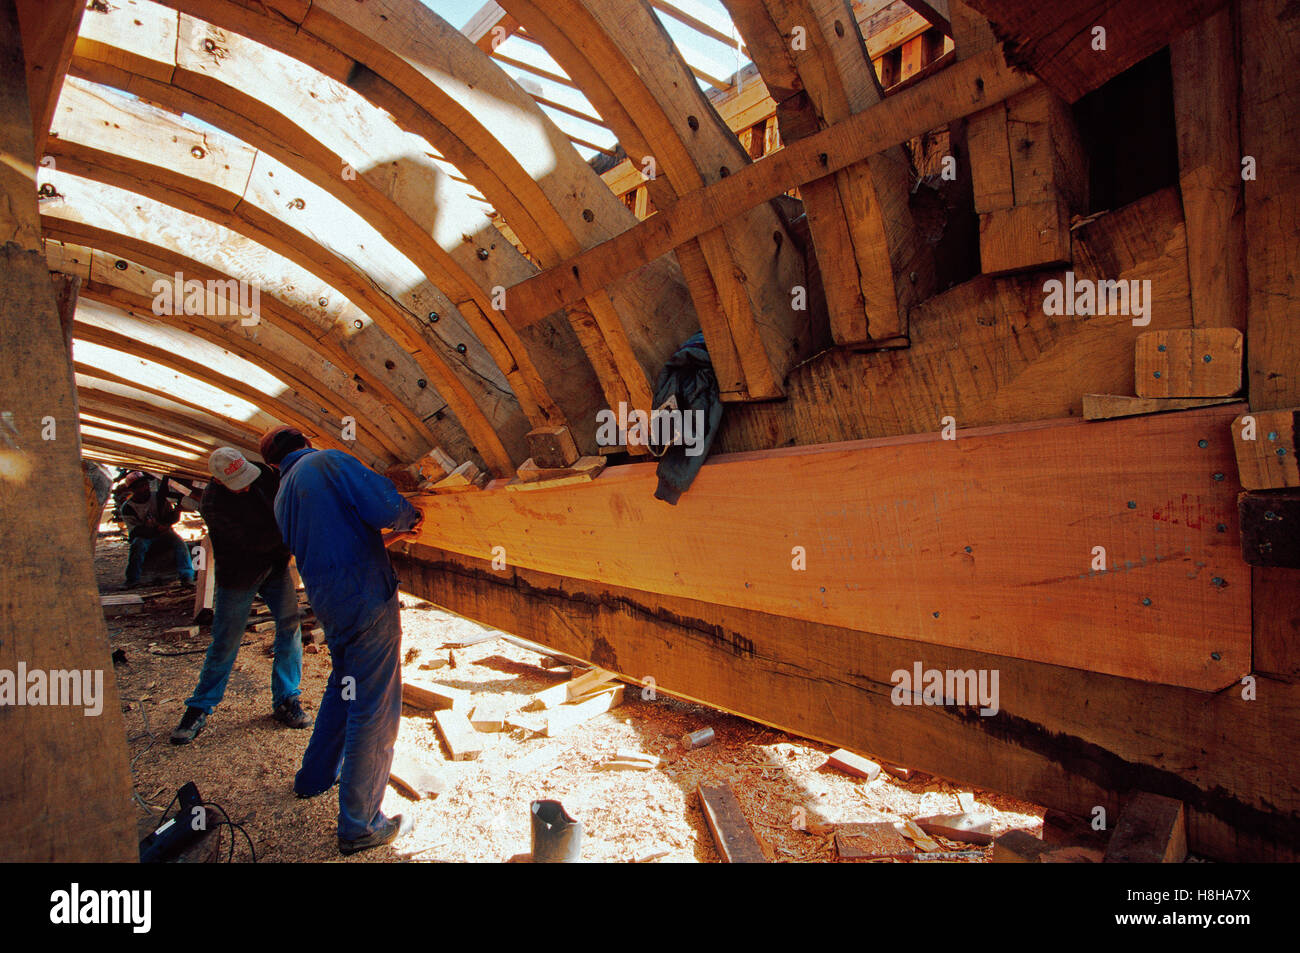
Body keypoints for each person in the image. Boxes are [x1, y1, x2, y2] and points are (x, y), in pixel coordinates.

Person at [260, 426, 423, 856]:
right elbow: (383, 504)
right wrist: (410, 518)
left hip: (331, 602)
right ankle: (361, 824)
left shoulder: (283, 495)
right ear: (306, 441)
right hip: (366, 598)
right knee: (374, 706)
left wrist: (392, 540)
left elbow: (334, 540)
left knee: (345, 686)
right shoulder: (327, 461)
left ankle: (313, 778)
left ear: (273, 464)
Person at [170, 448, 312, 744]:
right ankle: (200, 706)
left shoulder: (264, 474)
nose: (247, 485)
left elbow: (288, 500)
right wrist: (294, 535)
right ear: (220, 481)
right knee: (226, 641)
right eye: (239, 484)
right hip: (239, 575)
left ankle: (286, 699)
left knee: (290, 628)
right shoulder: (212, 503)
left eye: (247, 477)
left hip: (274, 567)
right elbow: (254, 542)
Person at [118, 471, 195, 588]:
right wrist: (156, 529)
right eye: (140, 487)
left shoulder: (158, 498)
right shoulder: (128, 507)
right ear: (132, 490)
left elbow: (171, 517)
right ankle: (132, 579)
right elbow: (135, 531)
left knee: (180, 544)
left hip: (164, 531)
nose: (145, 488)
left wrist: (175, 513)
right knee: (137, 546)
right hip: (145, 535)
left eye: (146, 485)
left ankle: (187, 577)